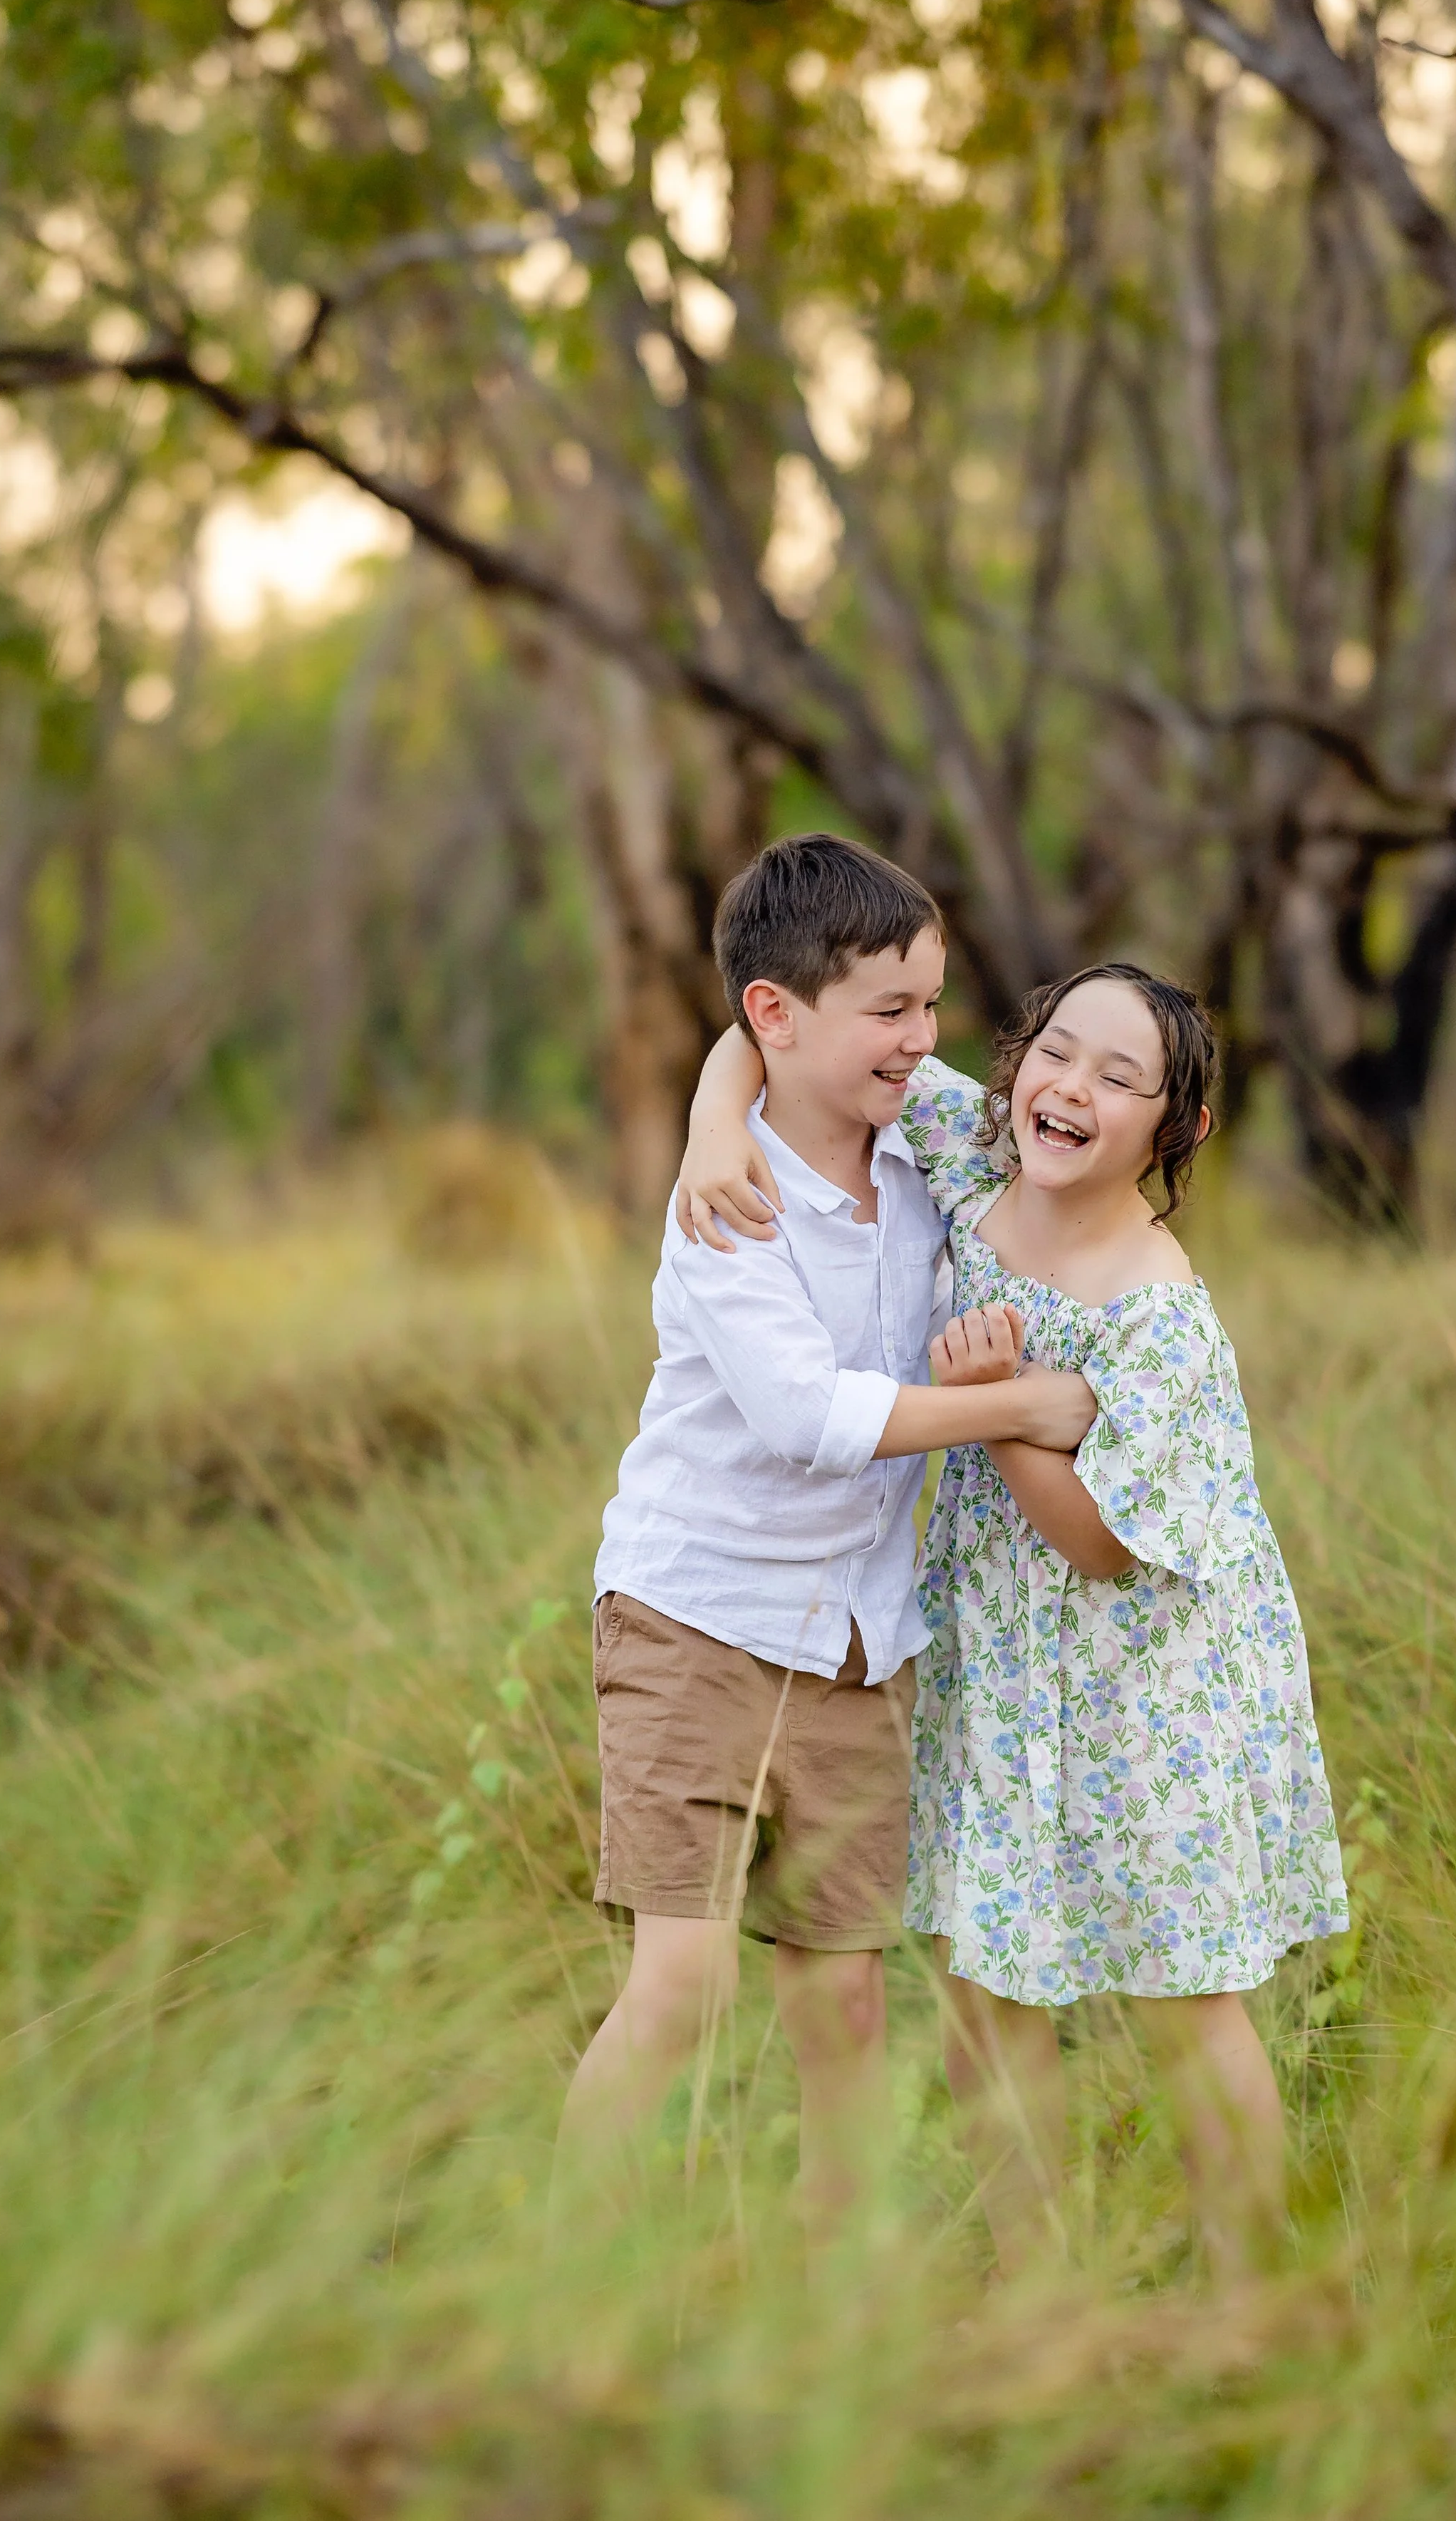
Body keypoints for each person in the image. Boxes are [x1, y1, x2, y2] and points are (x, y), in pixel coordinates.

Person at [677, 961, 1350, 2282]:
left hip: (1156, 1694)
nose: (1072, 1088)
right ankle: (1043, 2291)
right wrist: (712, 1133)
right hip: (1001, 1671)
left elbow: (1102, 1545)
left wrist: (1004, 1397)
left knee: (1181, 1996)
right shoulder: (974, 1161)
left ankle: (1260, 2296)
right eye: (1057, 1050)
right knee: (986, 1984)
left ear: (1178, 1129)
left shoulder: (1160, 1317)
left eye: (1120, 1077)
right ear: (1014, 1065)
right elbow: (768, 1040)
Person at [555, 836, 1101, 2260]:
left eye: (930, 1005)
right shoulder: (723, 1206)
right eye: (888, 1011)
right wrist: (1014, 1405)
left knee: (844, 2004)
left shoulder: (924, 1136)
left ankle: (828, 2300)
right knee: (681, 1989)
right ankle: (562, 2288)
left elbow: (1057, 1123)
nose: (920, 1040)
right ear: (780, 1016)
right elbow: (807, 1415)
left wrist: (714, 1090)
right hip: (695, 1618)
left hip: (859, 1639)